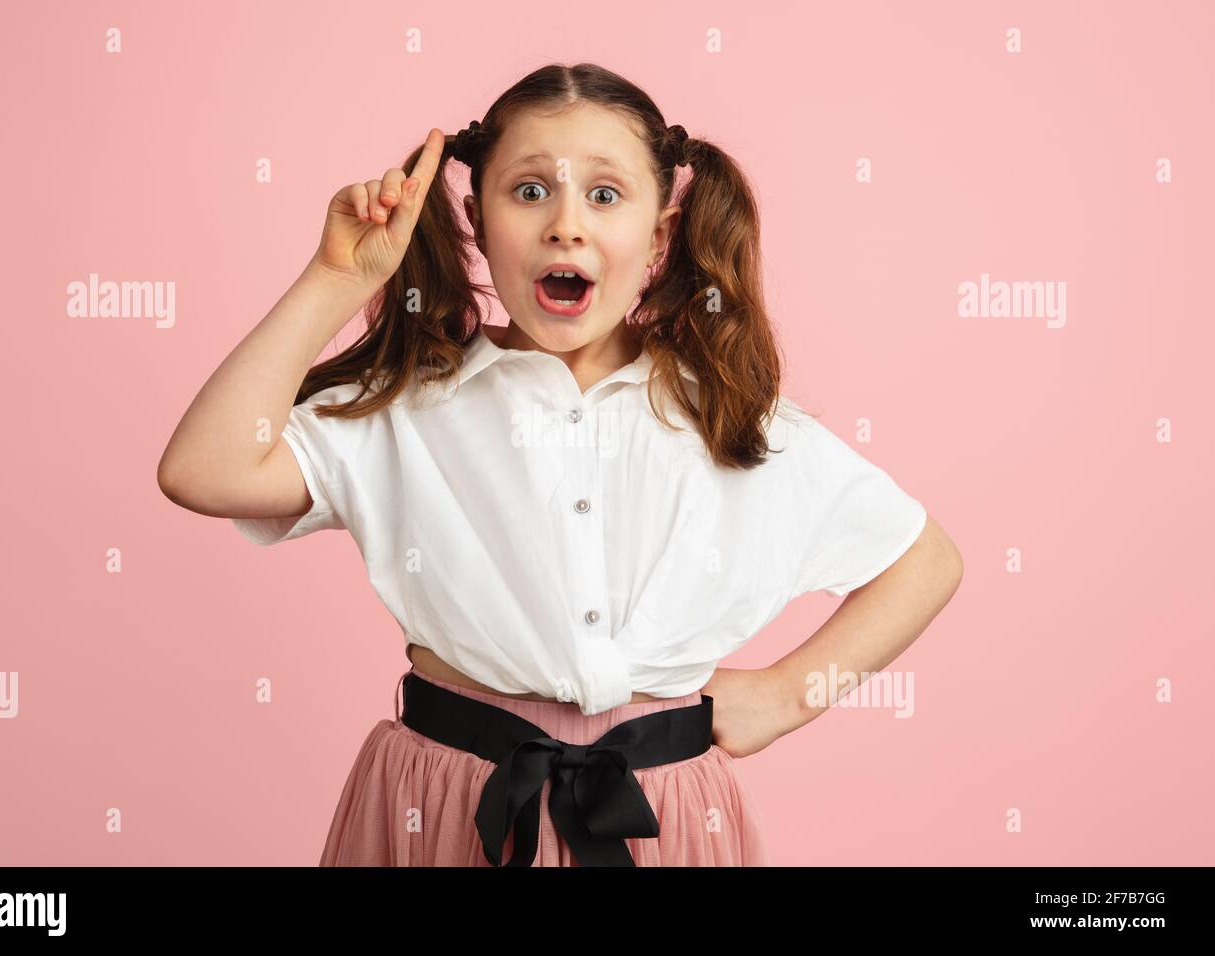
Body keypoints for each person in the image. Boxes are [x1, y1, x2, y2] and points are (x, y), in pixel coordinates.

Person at [157, 62, 964, 867]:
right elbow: (204, 468)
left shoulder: (729, 419)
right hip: (442, 806)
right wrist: (338, 277)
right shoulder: (403, 407)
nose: (566, 226)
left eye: (605, 196)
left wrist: (788, 694)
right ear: (475, 217)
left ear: (660, 234)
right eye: (531, 191)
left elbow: (924, 560)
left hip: (662, 813)